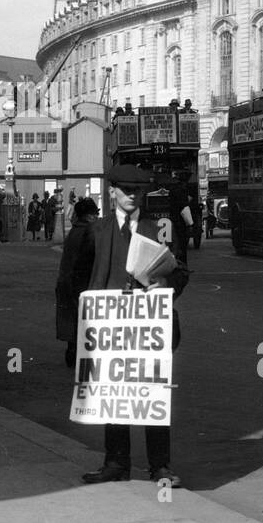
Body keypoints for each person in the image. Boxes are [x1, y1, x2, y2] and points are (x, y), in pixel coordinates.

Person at [81, 163, 189, 488]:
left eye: (137, 190)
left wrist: (166, 283)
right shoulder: (96, 231)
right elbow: (78, 279)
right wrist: (80, 328)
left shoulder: (158, 228)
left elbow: (180, 270)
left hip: (149, 327)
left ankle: (160, 467)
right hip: (109, 327)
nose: (131, 195)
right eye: (125, 189)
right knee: (114, 394)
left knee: (151, 394)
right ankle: (115, 463)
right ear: (111, 190)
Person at [55, 197, 99, 368]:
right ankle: (80, 356)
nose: (97, 217)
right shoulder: (90, 231)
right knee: (84, 320)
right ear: (89, 215)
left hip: (67, 280)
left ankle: (72, 352)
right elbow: (89, 257)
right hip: (81, 282)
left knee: (73, 320)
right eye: (95, 213)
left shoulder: (75, 230)